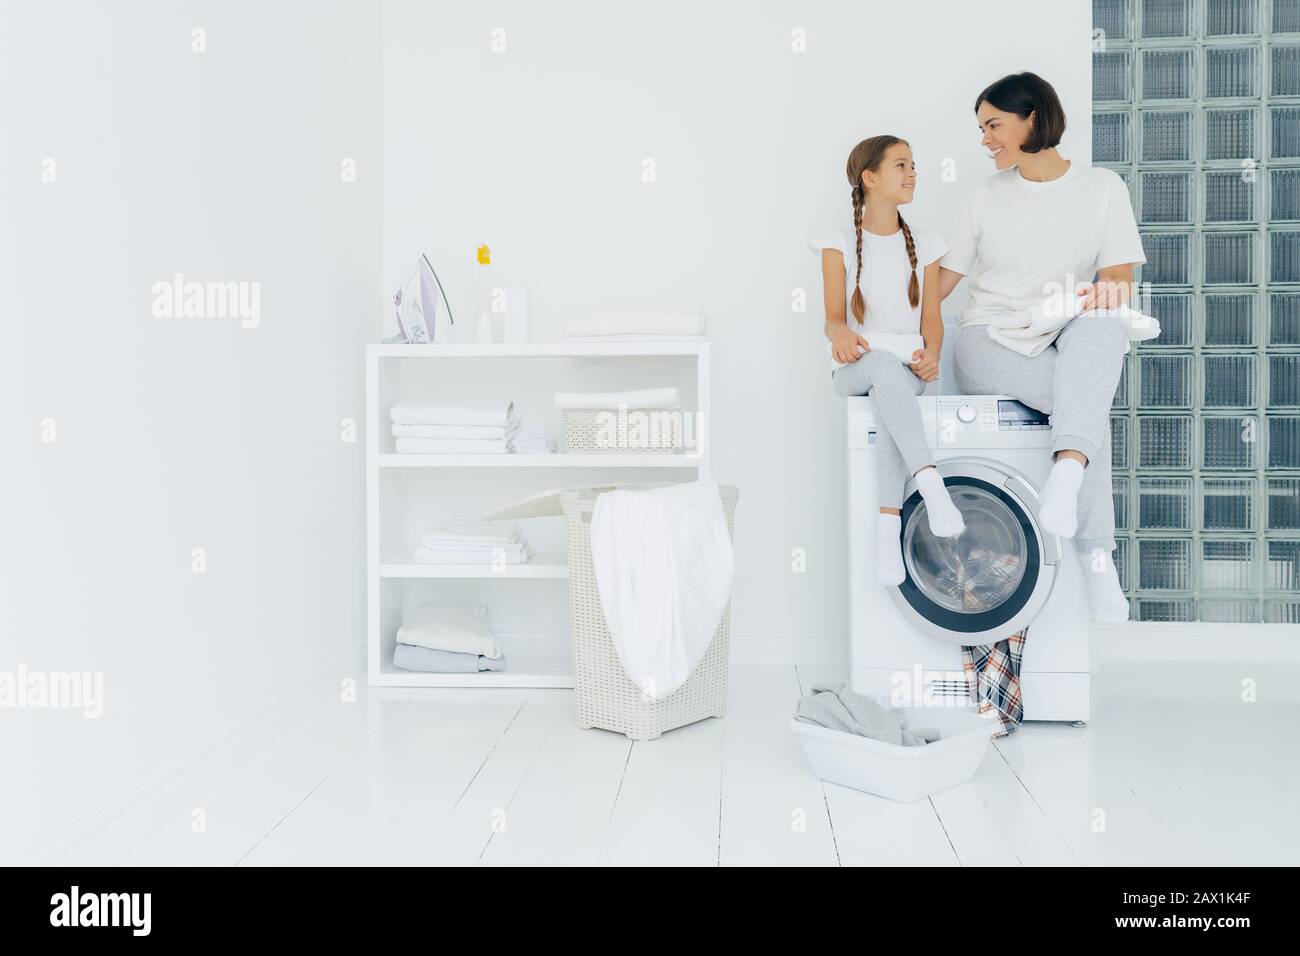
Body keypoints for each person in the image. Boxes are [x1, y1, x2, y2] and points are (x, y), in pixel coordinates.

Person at [936, 72, 1146, 622]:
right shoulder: (983, 197)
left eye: (994, 125)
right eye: (982, 128)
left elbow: (1120, 277)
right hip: (990, 339)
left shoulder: (1103, 188)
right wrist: (868, 310)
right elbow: (940, 284)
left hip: (1064, 329)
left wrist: (1106, 291)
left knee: (1104, 327)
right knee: (1088, 407)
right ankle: (1098, 557)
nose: (985, 140)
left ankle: (1067, 477)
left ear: (1032, 118)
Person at [811, 135, 964, 586]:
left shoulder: (928, 244)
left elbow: (932, 320)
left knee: (889, 386)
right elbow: (834, 319)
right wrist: (839, 334)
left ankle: (887, 524)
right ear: (870, 178)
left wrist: (932, 355)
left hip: (905, 369)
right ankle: (930, 481)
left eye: (914, 164)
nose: (913, 172)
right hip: (854, 367)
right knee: (879, 367)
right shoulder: (837, 242)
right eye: (901, 165)